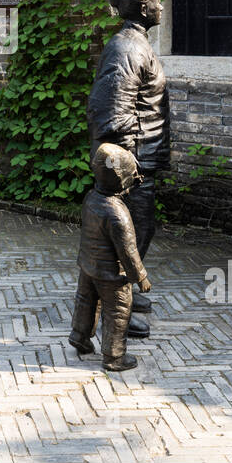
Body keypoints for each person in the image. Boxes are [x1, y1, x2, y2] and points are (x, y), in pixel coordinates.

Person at [87, 0, 169, 338]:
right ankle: (113, 308)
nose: (161, 6)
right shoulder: (126, 48)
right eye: (156, 1)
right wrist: (126, 165)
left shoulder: (137, 43)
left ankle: (126, 294)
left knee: (141, 229)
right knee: (127, 235)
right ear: (142, 9)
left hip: (142, 158)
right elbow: (113, 110)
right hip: (131, 164)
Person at [69, 144, 152, 372]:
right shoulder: (118, 213)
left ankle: (79, 336)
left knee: (86, 302)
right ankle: (114, 357)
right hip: (111, 275)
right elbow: (128, 251)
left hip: (87, 265)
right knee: (118, 310)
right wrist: (140, 277)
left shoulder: (91, 198)